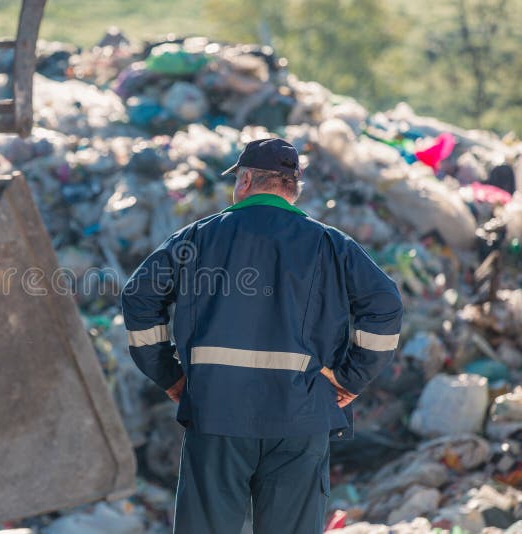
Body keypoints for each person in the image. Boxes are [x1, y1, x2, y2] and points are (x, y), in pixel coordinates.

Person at [120, 138, 403, 533]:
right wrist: (350, 377)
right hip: (299, 416)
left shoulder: (197, 239)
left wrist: (169, 375)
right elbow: (385, 305)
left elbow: (138, 296)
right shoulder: (329, 244)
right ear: (293, 188)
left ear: (247, 179)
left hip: (216, 413)